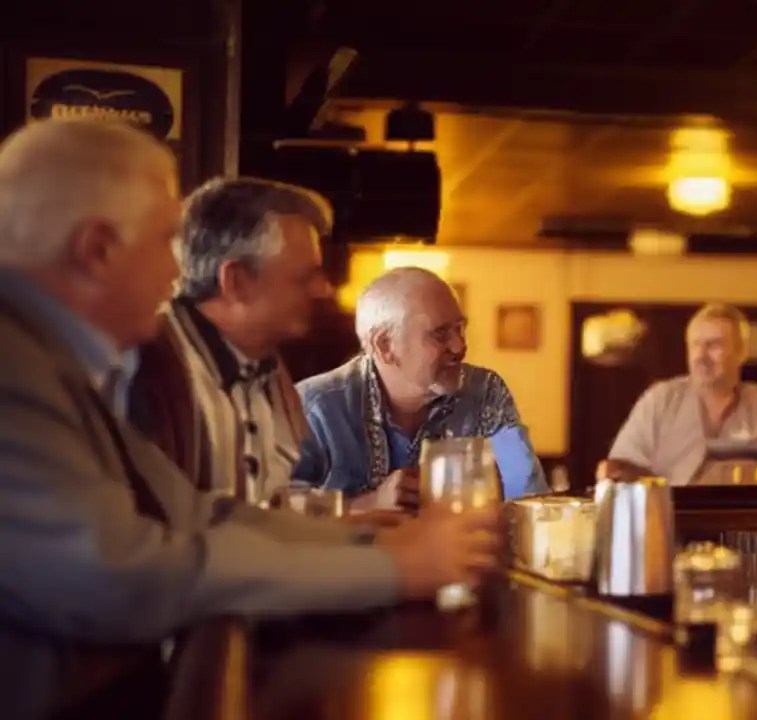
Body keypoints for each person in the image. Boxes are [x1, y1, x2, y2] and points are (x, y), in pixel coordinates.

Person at [0, 119, 499, 720]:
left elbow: (198, 511)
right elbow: (119, 576)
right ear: (97, 249)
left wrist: (376, 539)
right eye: (165, 243)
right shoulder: (15, 369)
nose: (177, 274)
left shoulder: (48, 358)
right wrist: (393, 566)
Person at [128, 176, 338, 506]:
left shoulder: (265, 368)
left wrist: (355, 533)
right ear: (237, 281)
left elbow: (266, 511)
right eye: (304, 277)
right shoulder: (146, 369)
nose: (323, 290)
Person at [295, 267, 548, 505]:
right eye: (440, 334)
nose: (459, 346)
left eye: (460, 329)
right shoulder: (313, 407)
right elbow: (271, 521)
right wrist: (369, 504)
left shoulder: (485, 392)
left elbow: (528, 497)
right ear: (385, 346)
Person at [603, 302, 757, 486]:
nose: (700, 356)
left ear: (741, 352)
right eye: (695, 345)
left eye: (714, 345)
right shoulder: (660, 400)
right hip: (669, 523)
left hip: (747, 524)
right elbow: (619, 467)